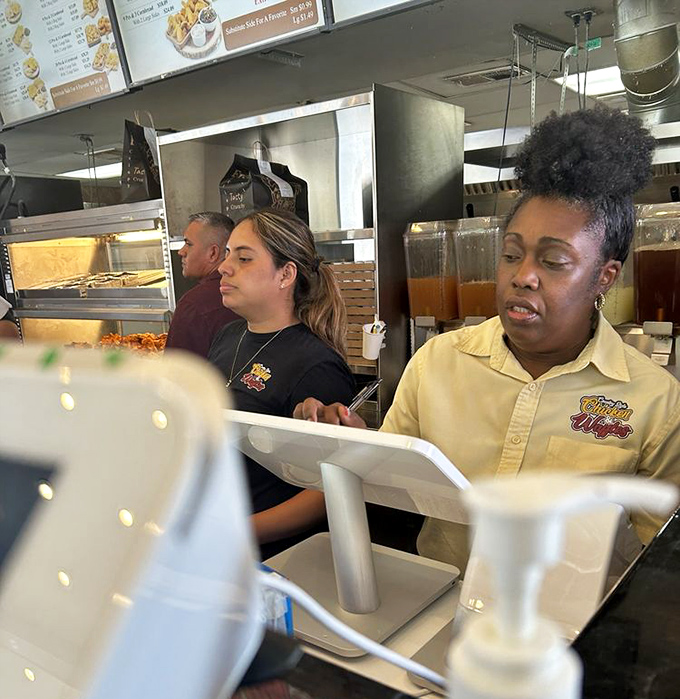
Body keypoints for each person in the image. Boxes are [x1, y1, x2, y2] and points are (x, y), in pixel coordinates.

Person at [296, 106, 680, 569]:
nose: (523, 277)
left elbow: (655, 559)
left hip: (574, 628)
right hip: (444, 609)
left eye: (554, 262)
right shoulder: (438, 361)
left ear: (605, 277)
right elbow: (390, 482)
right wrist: (354, 445)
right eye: (512, 254)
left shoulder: (656, 402)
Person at [208, 207, 355, 558]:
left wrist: (238, 531)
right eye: (228, 255)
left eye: (243, 258)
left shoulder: (315, 364)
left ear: (285, 274)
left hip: (275, 557)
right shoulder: (228, 335)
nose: (223, 267)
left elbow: (328, 491)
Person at [165, 212, 240, 358]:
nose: (181, 252)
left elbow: (175, 375)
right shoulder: (248, 292)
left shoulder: (194, 305)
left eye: (188, 244)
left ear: (213, 253)